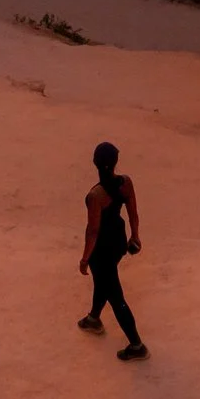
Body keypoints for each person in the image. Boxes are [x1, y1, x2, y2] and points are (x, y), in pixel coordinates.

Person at [77, 139, 147, 359]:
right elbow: (133, 213)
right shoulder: (126, 183)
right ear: (116, 162)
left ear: (95, 163)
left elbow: (93, 231)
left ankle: (136, 345)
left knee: (115, 296)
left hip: (101, 250)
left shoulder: (96, 196)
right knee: (104, 281)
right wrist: (135, 236)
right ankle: (94, 318)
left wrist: (85, 258)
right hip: (118, 241)